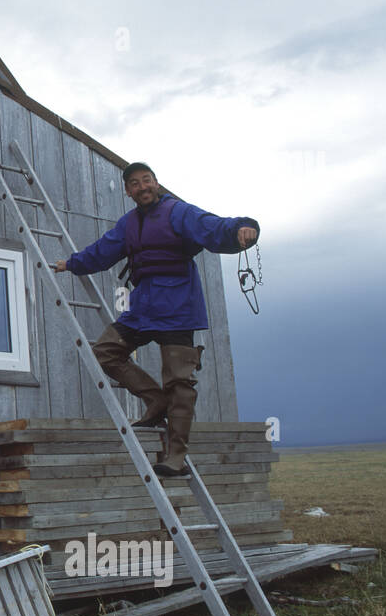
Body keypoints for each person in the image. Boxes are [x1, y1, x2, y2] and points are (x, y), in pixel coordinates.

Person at [55, 163, 258, 477]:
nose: (142, 187)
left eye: (146, 181)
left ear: (156, 183)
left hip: (179, 306)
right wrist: (71, 263)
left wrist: (243, 227)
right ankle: (155, 399)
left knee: (180, 381)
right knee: (105, 351)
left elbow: (212, 227)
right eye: (134, 183)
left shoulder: (177, 212)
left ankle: (175, 455)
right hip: (144, 306)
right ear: (128, 191)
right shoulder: (128, 225)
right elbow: (101, 252)